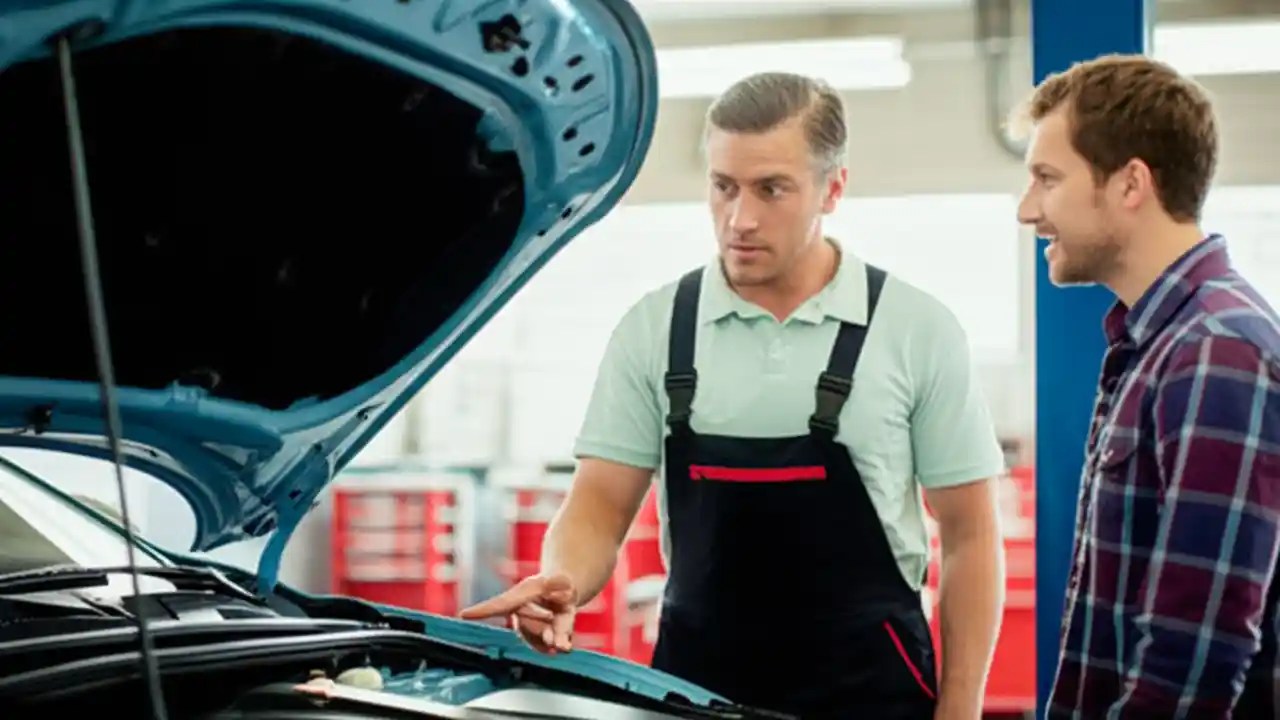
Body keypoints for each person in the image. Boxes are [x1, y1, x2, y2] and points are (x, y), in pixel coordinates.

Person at [461, 72, 1007, 720]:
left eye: (771, 189)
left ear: (833, 188)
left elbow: (972, 535)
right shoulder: (656, 328)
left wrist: (962, 707)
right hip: (698, 691)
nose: (739, 219)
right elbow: (598, 507)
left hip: (874, 692)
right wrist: (564, 580)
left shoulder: (916, 328)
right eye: (723, 187)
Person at [1011, 54, 1280, 719]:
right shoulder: (1161, 341)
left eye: (1047, 178)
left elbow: (1194, 655)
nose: (1027, 210)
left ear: (1131, 183)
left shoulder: (1217, 348)